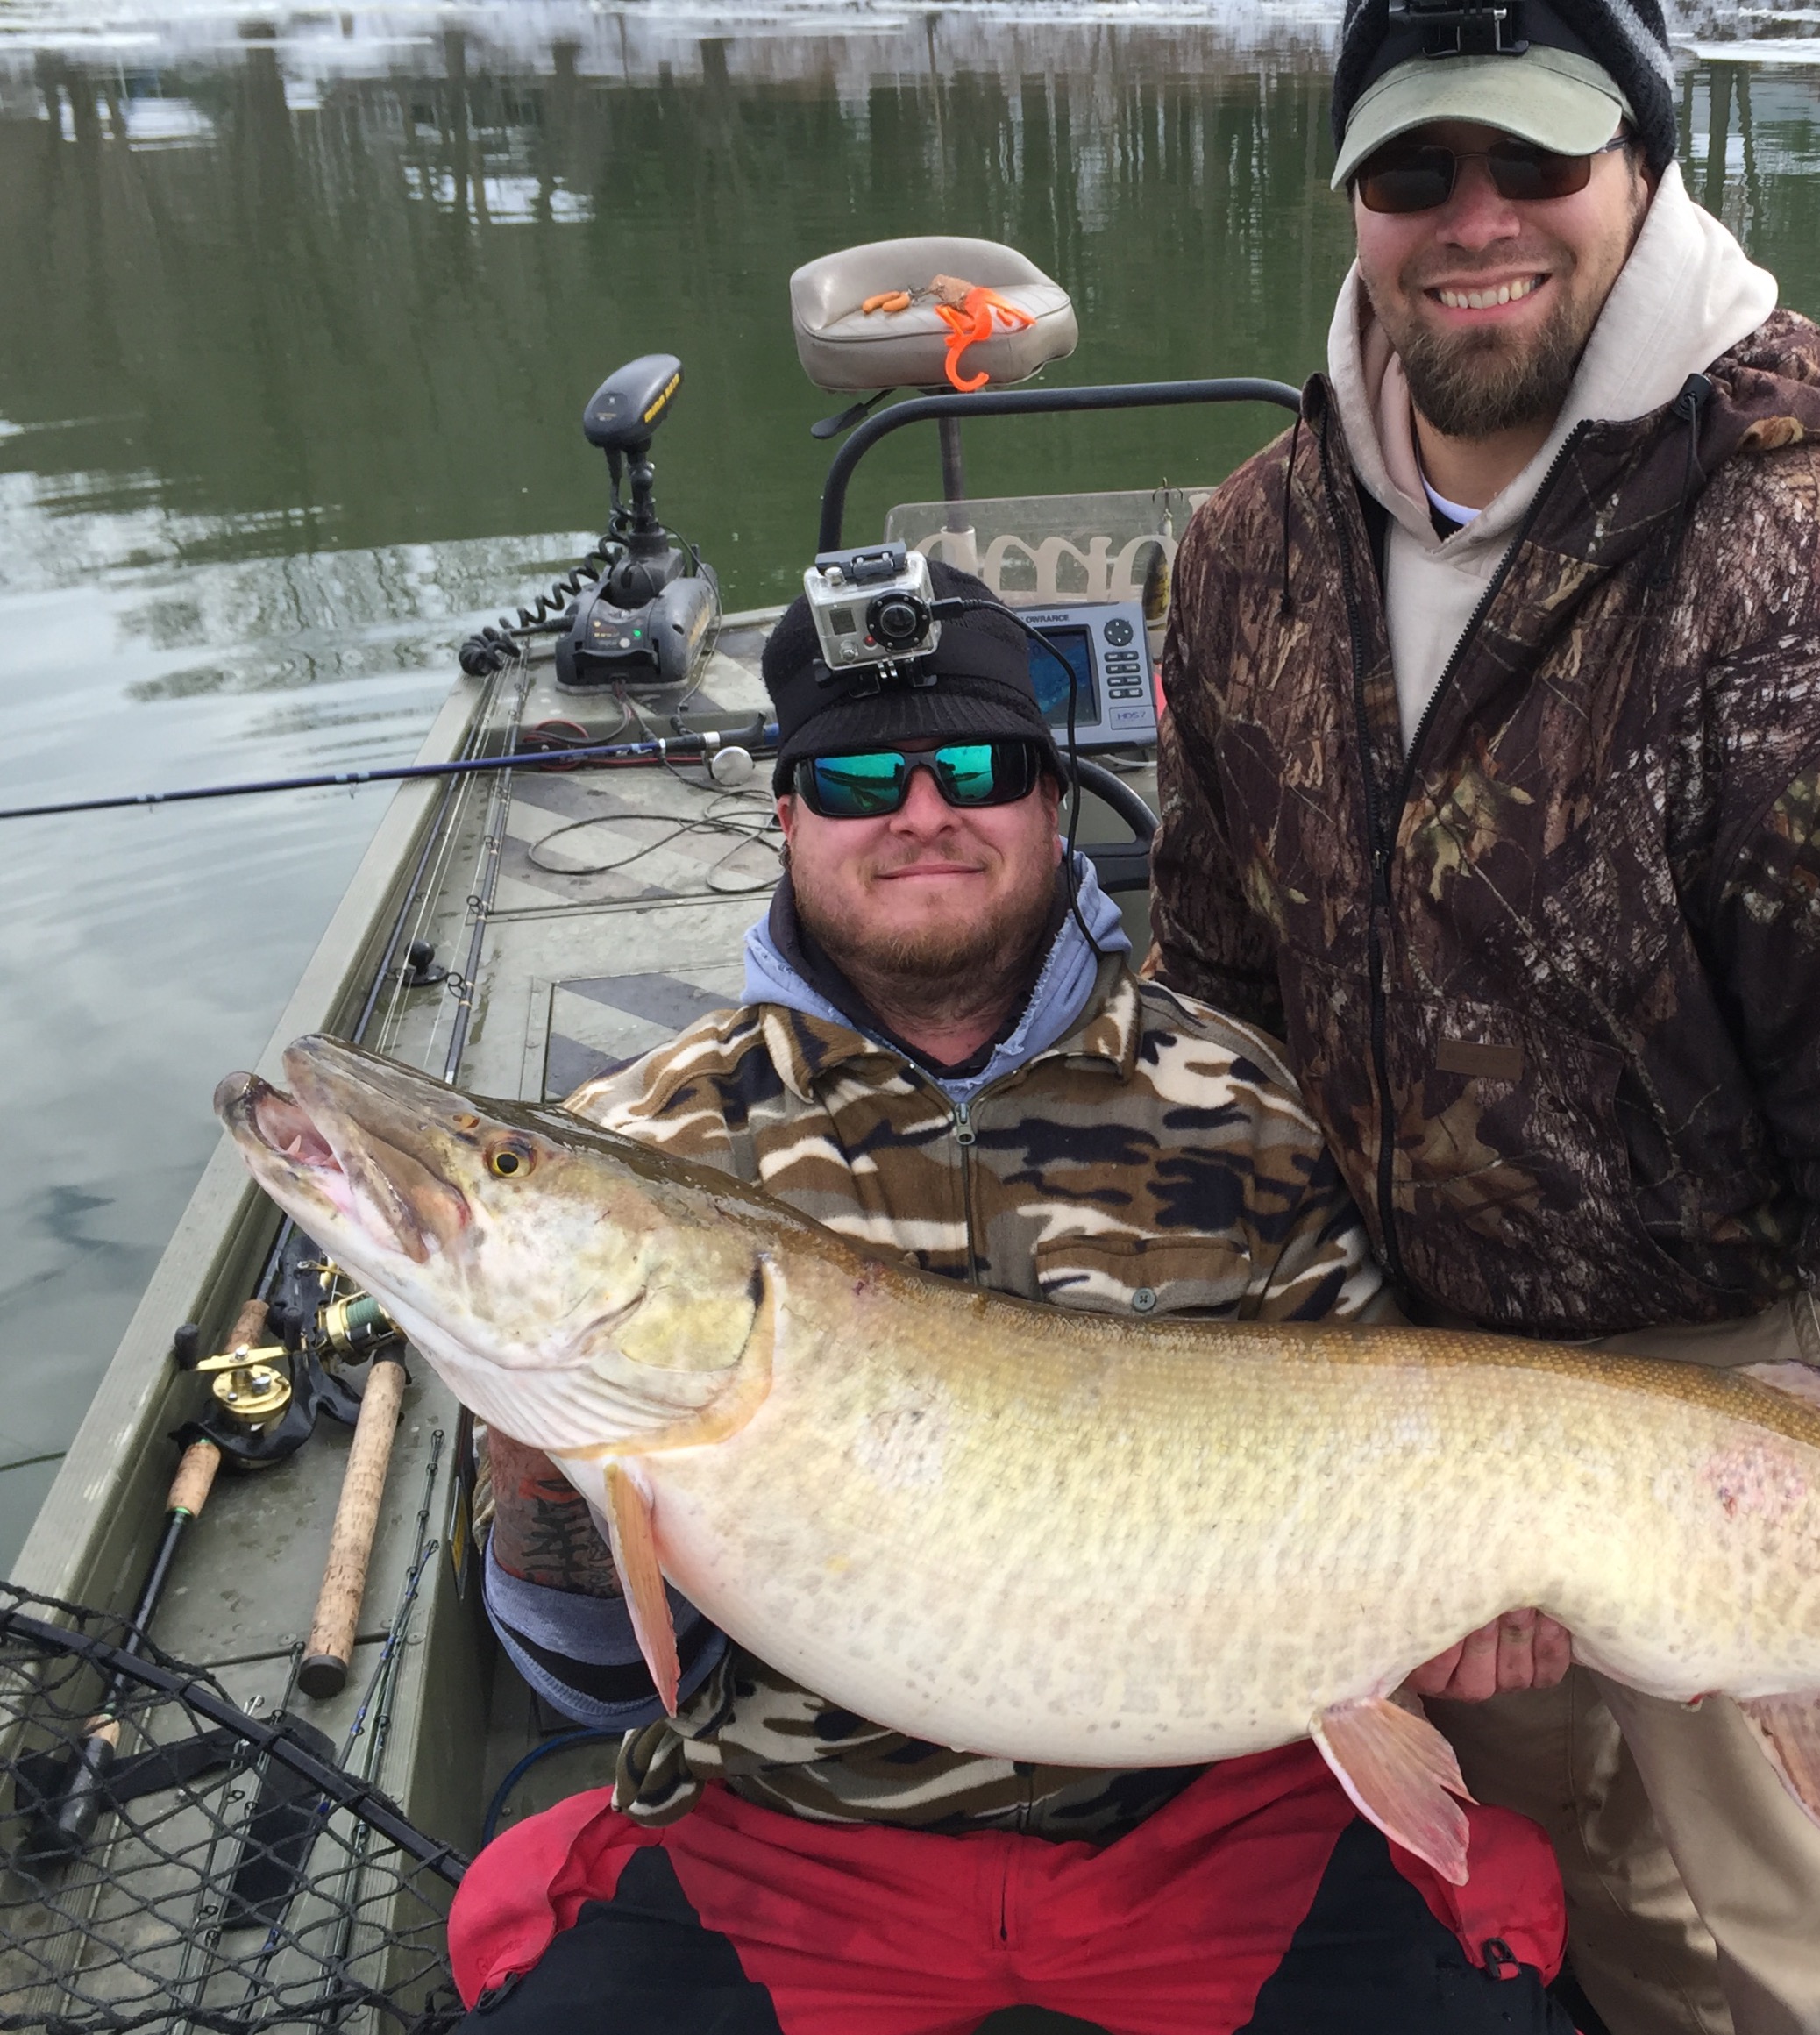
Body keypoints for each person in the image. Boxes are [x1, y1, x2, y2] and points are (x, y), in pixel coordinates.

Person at [1148, 4, 1820, 2033]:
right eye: (1417, 171)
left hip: (1732, 1402)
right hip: (1385, 1398)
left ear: (1643, 172)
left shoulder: (1810, 572)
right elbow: (1216, 993)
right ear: (1356, 197)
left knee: (1810, 1970)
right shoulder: (1249, 550)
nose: (1473, 219)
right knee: (1482, 1911)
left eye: (1536, 162)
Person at [449, 566, 1576, 2035]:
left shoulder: (1245, 1111)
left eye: (975, 766)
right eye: (855, 776)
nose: (921, 812)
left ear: (1052, 804)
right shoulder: (658, 1140)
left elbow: (1391, 1469)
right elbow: (595, 1688)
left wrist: (1457, 1613)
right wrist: (546, 1467)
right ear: (784, 815)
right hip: (799, 1842)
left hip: (1215, 1831)